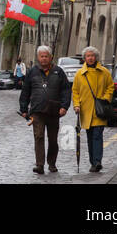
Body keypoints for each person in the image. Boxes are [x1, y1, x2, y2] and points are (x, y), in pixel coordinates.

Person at [18, 46, 71, 175]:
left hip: (54, 111)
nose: (44, 58)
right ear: (38, 58)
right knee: (39, 136)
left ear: (51, 57)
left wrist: (64, 106)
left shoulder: (58, 72)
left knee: (53, 139)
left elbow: (65, 90)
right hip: (37, 111)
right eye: (41, 56)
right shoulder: (32, 72)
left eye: (46, 56)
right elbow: (26, 91)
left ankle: (52, 163)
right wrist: (24, 108)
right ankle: (39, 164)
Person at [72, 46, 114, 173]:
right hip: (86, 110)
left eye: (92, 56)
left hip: (99, 110)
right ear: (85, 58)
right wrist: (76, 105)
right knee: (90, 137)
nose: (90, 58)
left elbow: (110, 87)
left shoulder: (104, 72)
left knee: (97, 136)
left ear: (96, 57)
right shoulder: (80, 74)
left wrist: (106, 98)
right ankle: (93, 162)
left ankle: (97, 162)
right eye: (88, 56)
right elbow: (75, 91)